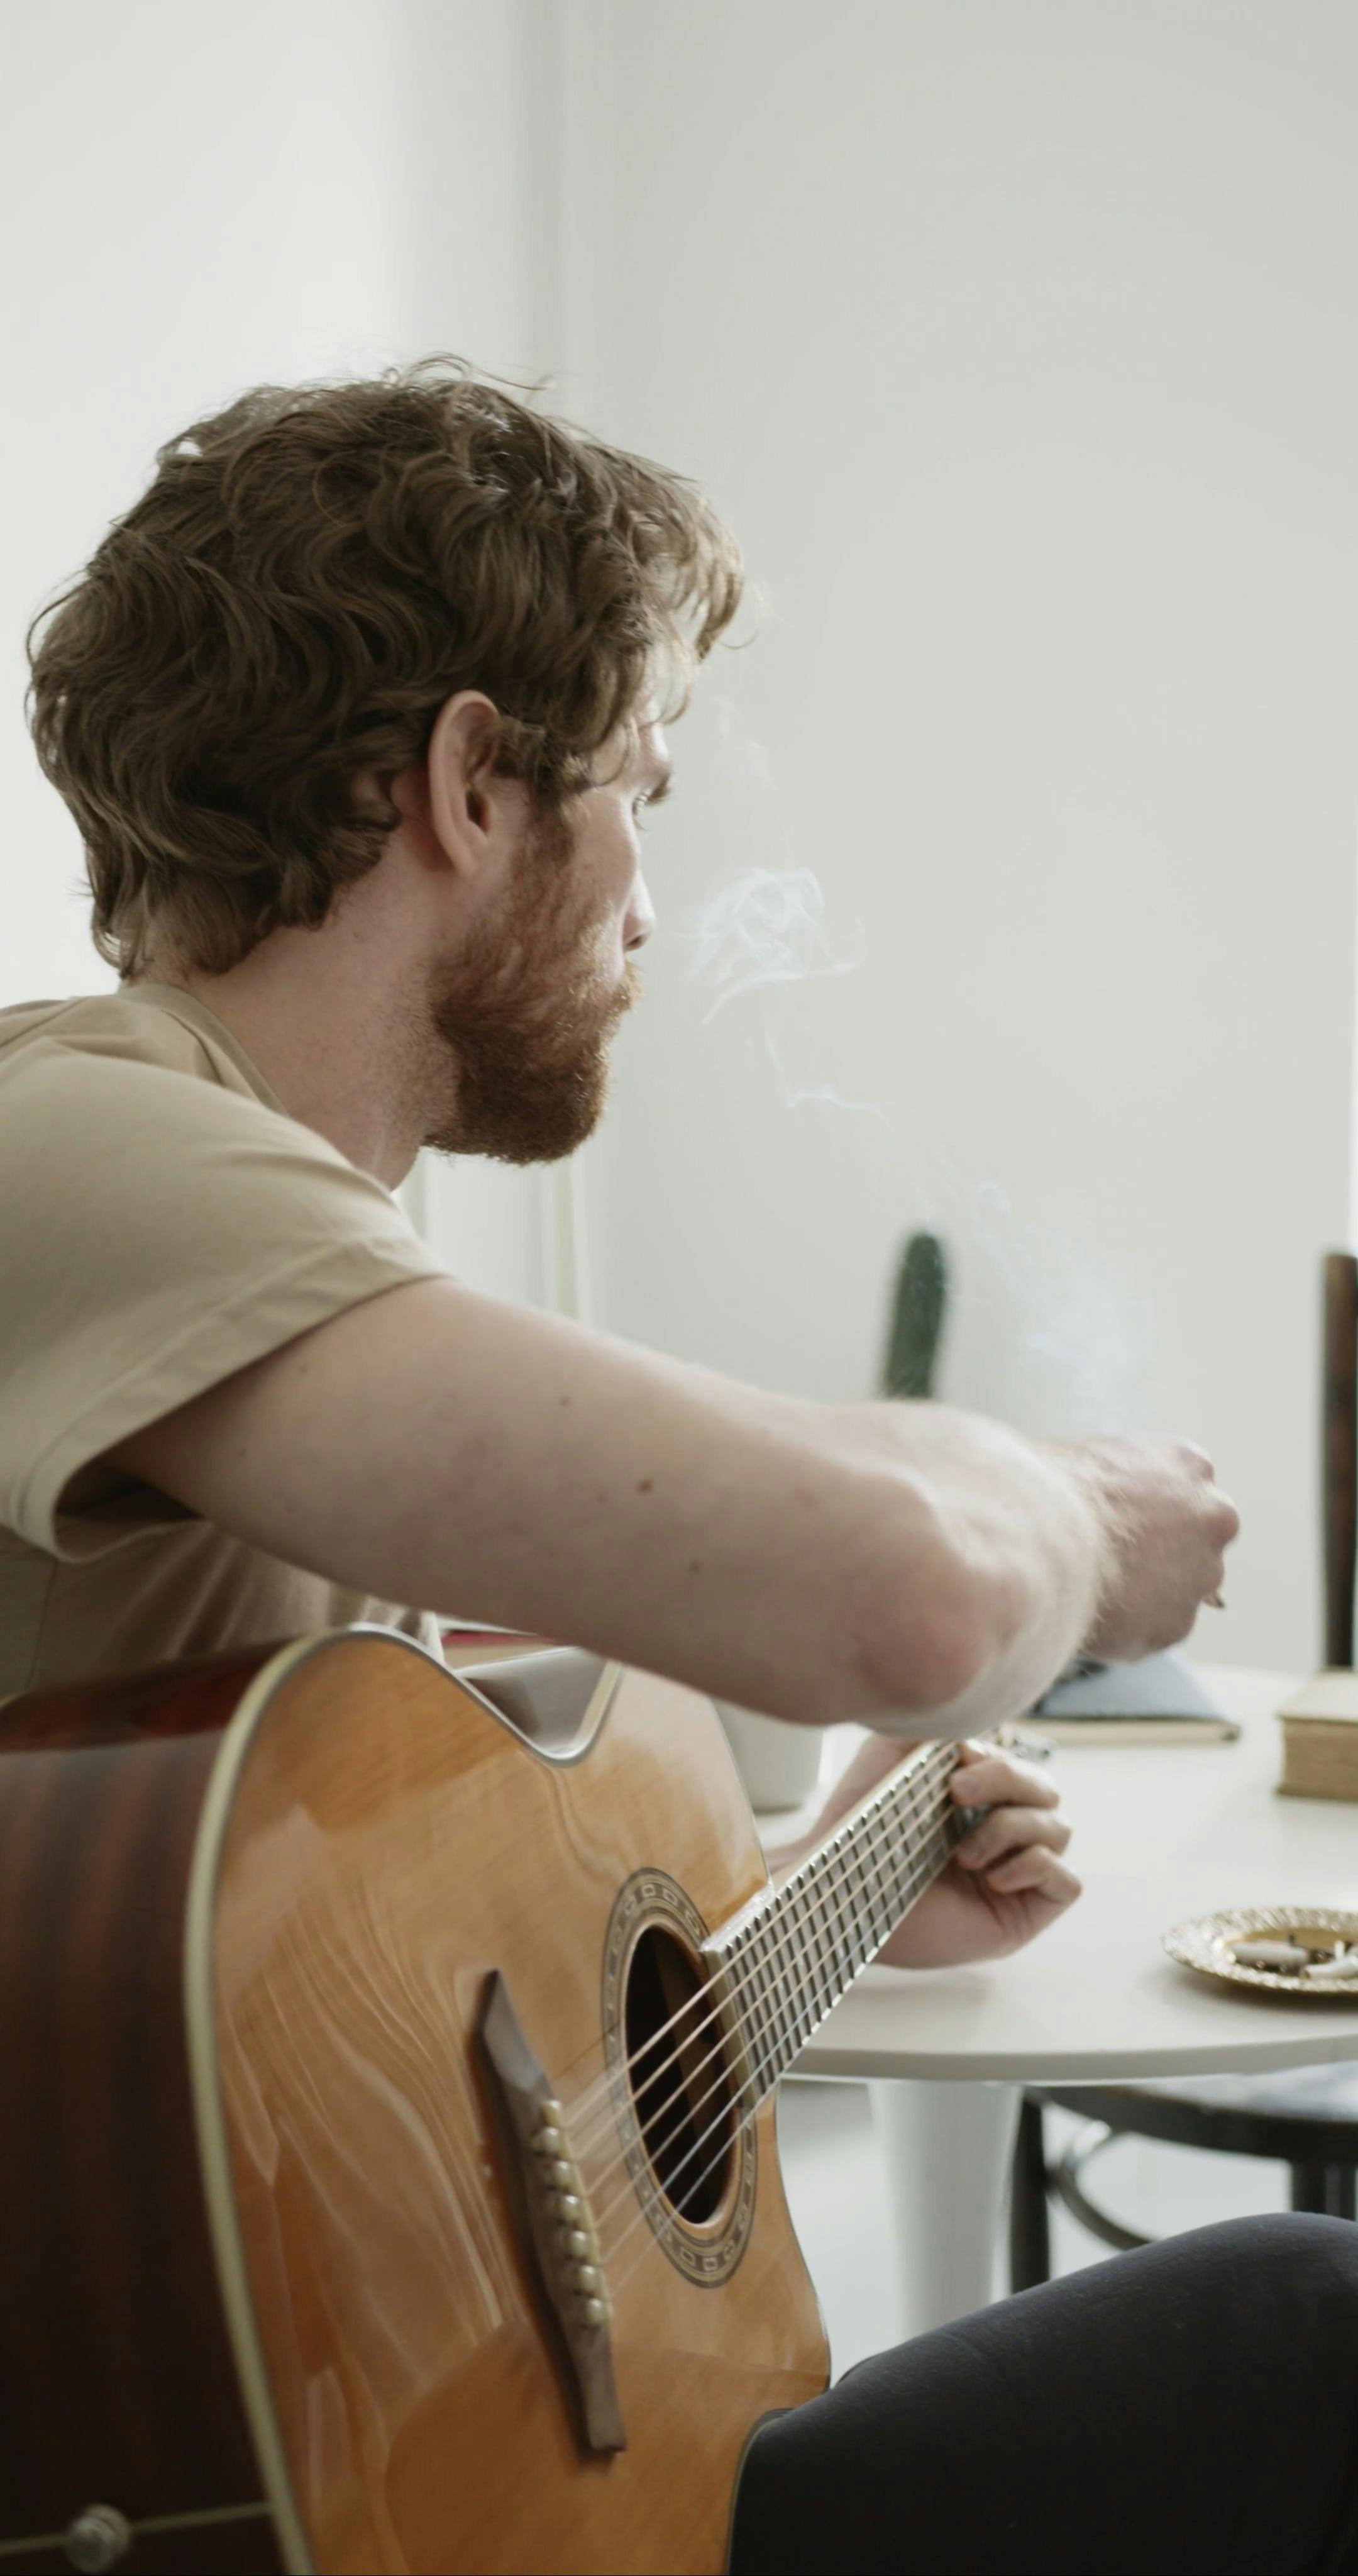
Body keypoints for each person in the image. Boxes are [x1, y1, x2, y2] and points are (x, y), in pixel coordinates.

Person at [2, 360, 1350, 2576]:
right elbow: (907, 1601)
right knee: (1308, 2337)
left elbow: (357, 2075)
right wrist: (1083, 1525)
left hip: (402, 2488)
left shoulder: (241, 1251)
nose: (648, 893)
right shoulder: (73, 1145)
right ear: (467, 783)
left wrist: (780, 1925)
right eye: (637, 783)